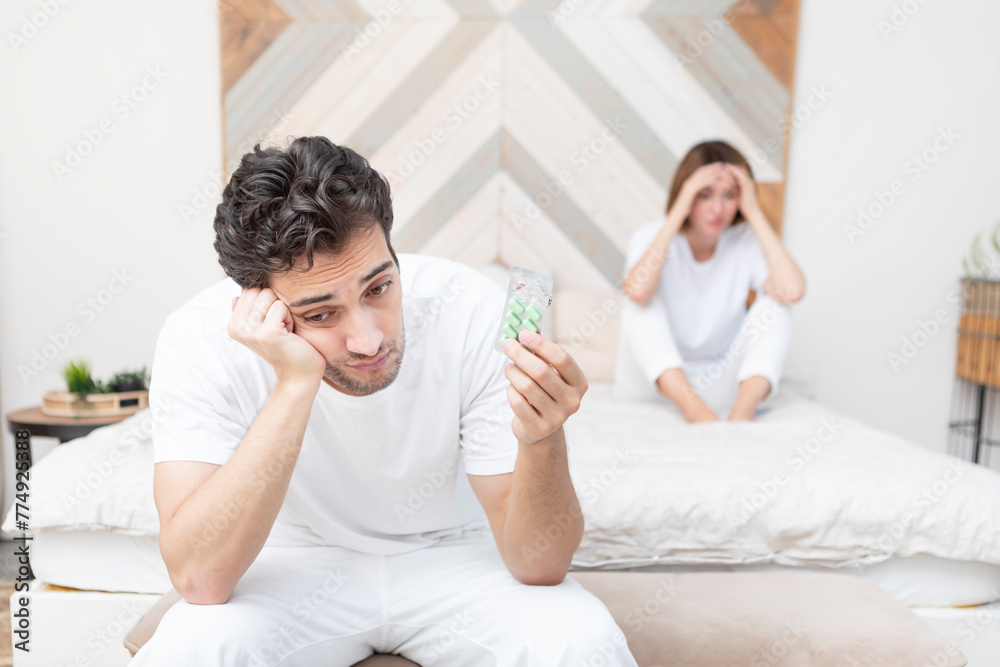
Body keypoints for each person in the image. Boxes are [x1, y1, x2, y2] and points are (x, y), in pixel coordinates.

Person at [130, 137, 636, 666]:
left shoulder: (471, 312)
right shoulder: (198, 338)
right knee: (188, 653)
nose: (369, 340)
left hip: (457, 557)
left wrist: (542, 435)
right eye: (321, 314)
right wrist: (295, 384)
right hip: (292, 563)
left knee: (585, 643)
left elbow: (540, 565)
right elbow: (198, 578)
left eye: (378, 288)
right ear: (259, 304)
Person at [613, 140, 805, 422]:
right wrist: (679, 210)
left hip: (716, 386)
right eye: (705, 195)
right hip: (655, 384)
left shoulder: (745, 243)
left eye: (729, 196)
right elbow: (638, 291)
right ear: (686, 194)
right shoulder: (650, 236)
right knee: (640, 306)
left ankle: (743, 413)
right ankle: (694, 411)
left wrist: (754, 212)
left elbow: (792, 291)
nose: (718, 209)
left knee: (776, 306)